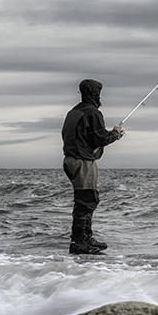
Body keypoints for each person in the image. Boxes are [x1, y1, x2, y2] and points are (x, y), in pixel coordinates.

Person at [61, 79, 123, 254]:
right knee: (86, 201)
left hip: (71, 159)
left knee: (86, 199)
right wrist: (116, 134)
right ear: (96, 94)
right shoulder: (93, 113)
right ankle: (79, 242)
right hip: (83, 161)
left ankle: (86, 238)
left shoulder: (72, 112)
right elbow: (100, 139)